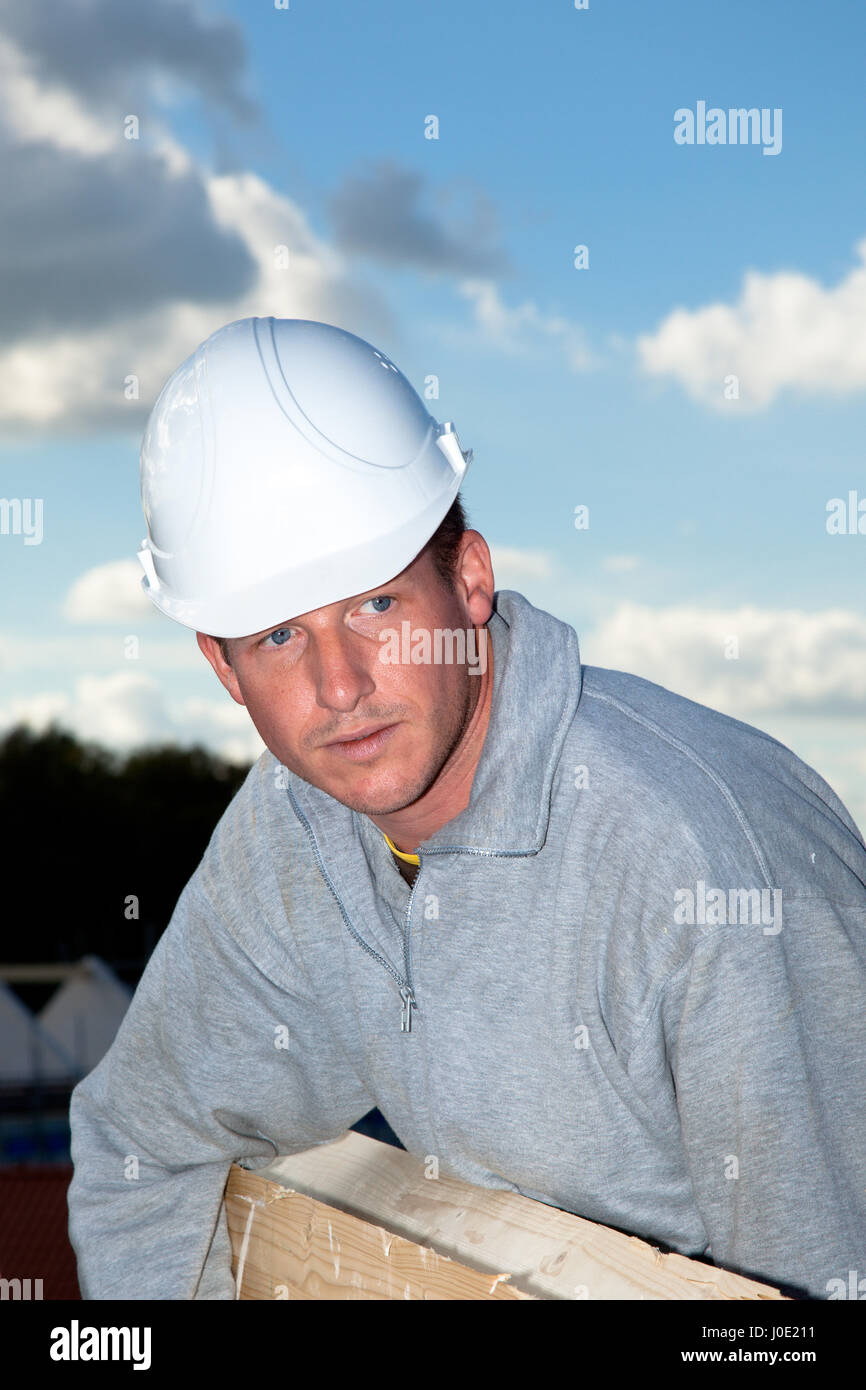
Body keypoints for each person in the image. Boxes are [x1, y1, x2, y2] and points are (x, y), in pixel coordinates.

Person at [68, 317, 866, 1300]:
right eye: (278, 634)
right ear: (220, 666)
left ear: (470, 578)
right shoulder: (296, 825)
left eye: (375, 605)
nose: (339, 685)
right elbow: (142, 1138)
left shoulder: (706, 870)